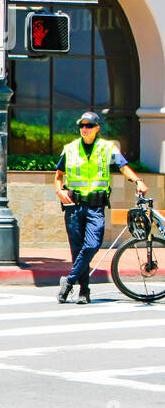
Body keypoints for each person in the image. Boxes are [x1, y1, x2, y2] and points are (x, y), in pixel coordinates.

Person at [54, 111, 149, 304]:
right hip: (73, 206)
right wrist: (59, 191)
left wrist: (138, 180)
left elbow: (123, 167)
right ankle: (83, 292)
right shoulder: (70, 148)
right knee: (77, 250)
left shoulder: (107, 148)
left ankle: (69, 280)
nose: (84, 129)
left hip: (95, 207)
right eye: (82, 125)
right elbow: (58, 175)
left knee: (92, 244)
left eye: (89, 126)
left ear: (97, 128)